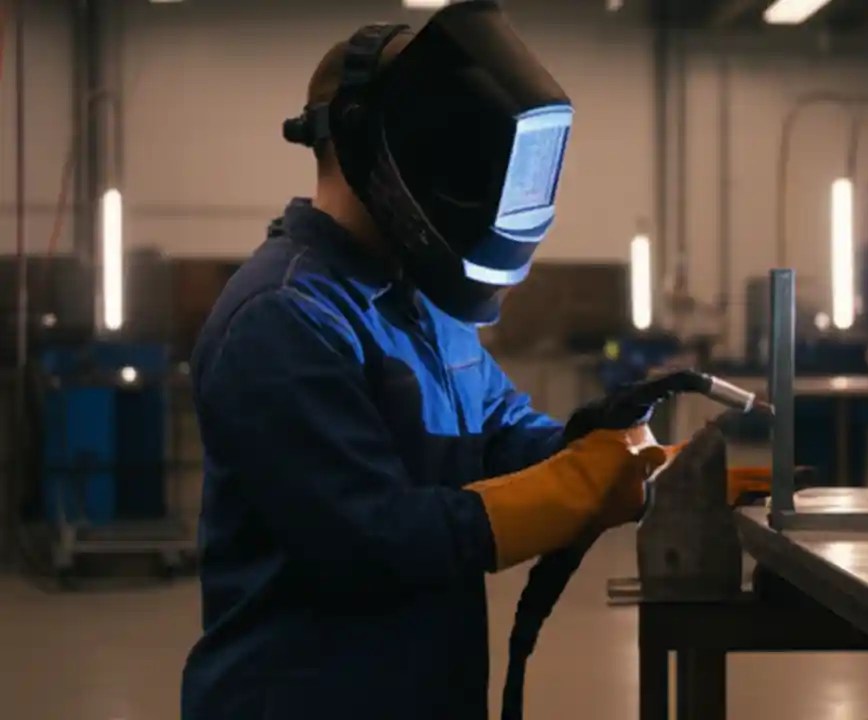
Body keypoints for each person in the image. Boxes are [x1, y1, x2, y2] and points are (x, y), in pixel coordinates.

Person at [181, 6, 666, 719]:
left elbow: (494, 433)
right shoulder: (281, 318)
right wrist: (572, 491)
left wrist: (596, 448)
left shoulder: (426, 301)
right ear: (362, 140)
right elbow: (371, 541)